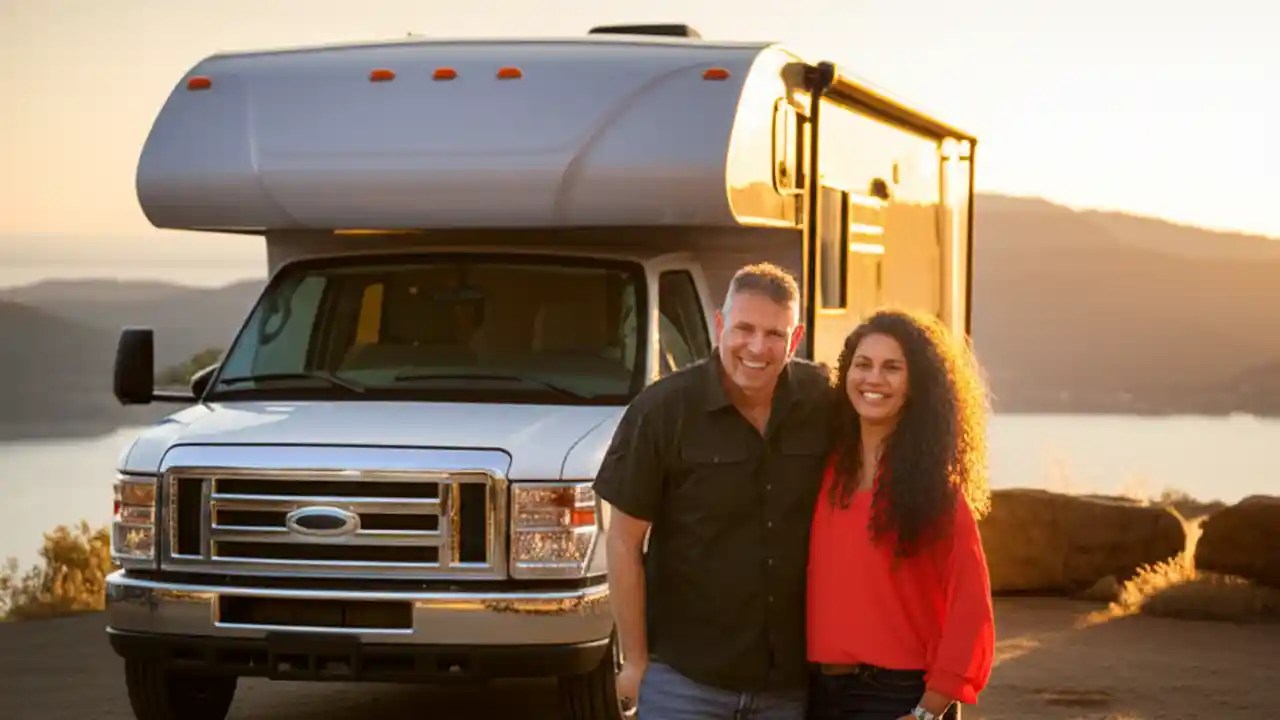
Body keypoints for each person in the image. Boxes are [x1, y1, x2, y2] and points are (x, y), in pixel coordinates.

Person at [594, 262, 834, 719]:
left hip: (789, 687)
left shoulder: (823, 402)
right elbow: (623, 542)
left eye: (775, 334)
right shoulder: (662, 412)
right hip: (684, 682)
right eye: (744, 328)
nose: (758, 348)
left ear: (795, 339)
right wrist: (635, 661)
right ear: (720, 325)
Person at [806, 309, 996, 720]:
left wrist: (929, 710)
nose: (873, 379)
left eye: (892, 368)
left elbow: (971, 610)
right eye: (863, 364)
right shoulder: (823, 472)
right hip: (814, 692)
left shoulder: (936, 491)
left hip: (896, 695)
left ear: (915, 386)